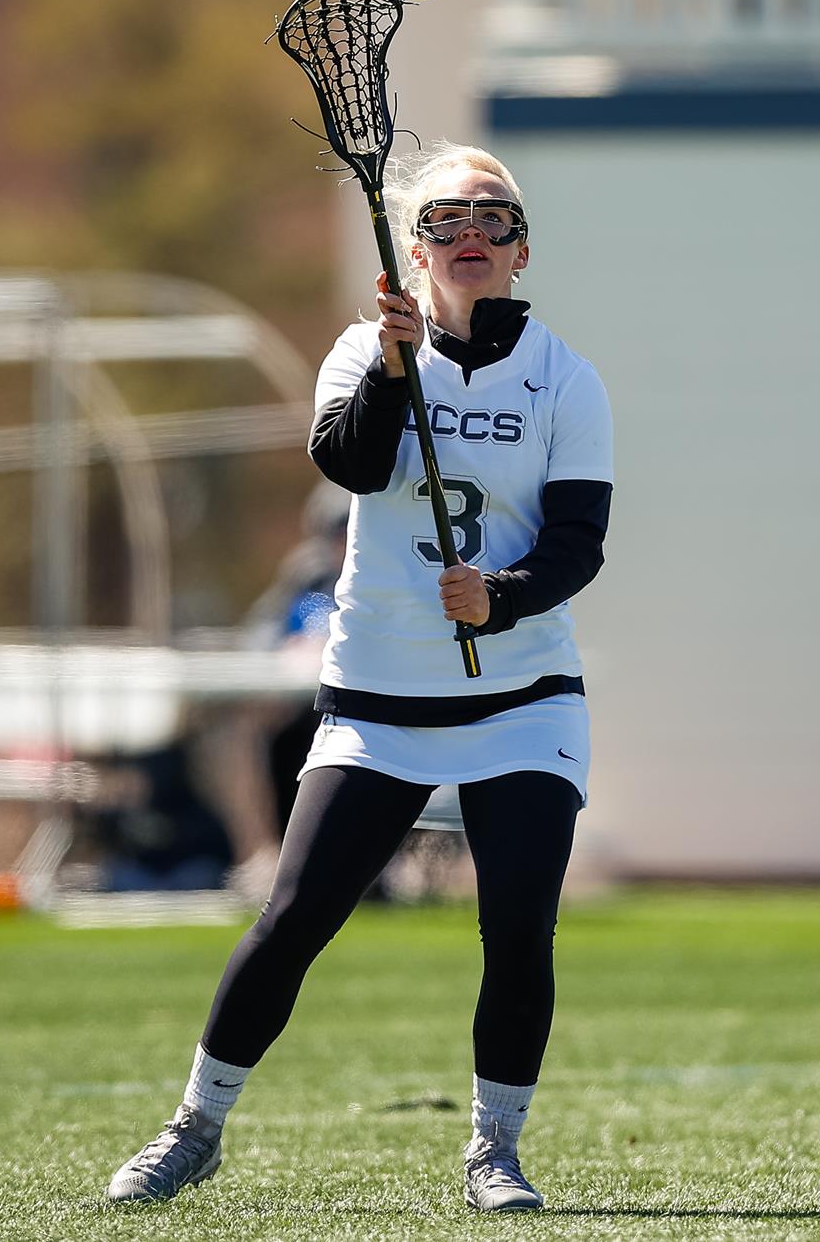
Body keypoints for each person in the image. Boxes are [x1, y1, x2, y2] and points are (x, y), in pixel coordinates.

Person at [106, 143, 613, 1211]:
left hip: (521, 699)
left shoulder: (567, 379)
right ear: (413, 249)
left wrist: (505, 594)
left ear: (520, 249)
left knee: (516, 927)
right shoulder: (359, 353)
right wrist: (391, 370)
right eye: (443, 218)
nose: (468, 232)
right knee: (291, 917)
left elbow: (577, 543)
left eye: (491, 215)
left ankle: (493, 1150)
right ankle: (193, 1125)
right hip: (377, 699)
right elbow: (351, 465)